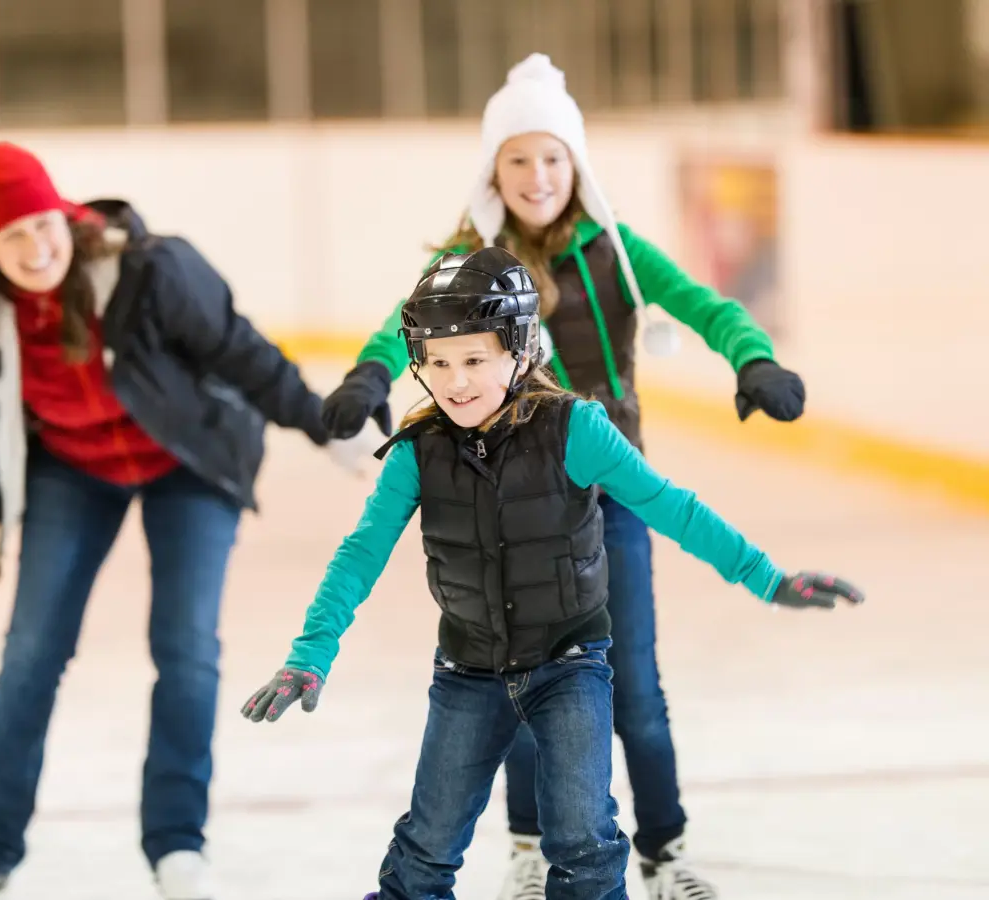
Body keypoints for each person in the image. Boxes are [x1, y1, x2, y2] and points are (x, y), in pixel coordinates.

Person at [318, 54, 808, 900]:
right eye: (517, 159)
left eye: (552, 157)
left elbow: (708, 305)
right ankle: (526, 844)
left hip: (604, 478)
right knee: (514, 671)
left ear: (575, 163)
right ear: (493, 170)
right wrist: (369, 372)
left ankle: (663, 848)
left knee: (632, 686)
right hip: (504, 483)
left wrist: (752, 358)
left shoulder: (614, 252)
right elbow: (406, 329)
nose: (537, 176)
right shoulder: (470, 256)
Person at [242, 248, 863, 900]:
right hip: (467, 674)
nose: (455, 382)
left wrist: (768, 579)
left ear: (520, 351)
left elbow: (671, 507)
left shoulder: (575, 429)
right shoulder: (418, 450)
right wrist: (308, 655)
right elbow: (359, 556)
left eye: (475, 359)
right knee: (423, 851)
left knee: (582, 845)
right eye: (438, 361)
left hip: (569, 665)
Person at [0, 141, 374, 900]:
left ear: (63, 216)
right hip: (73, 472)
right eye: (11, 236)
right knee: (32, 651)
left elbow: (242, 351)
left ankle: (176, 841)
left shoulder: (147, 269)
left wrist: (320, 425)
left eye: (41, 224)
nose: (34, 247)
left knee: (185, 645)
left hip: (189, 463)